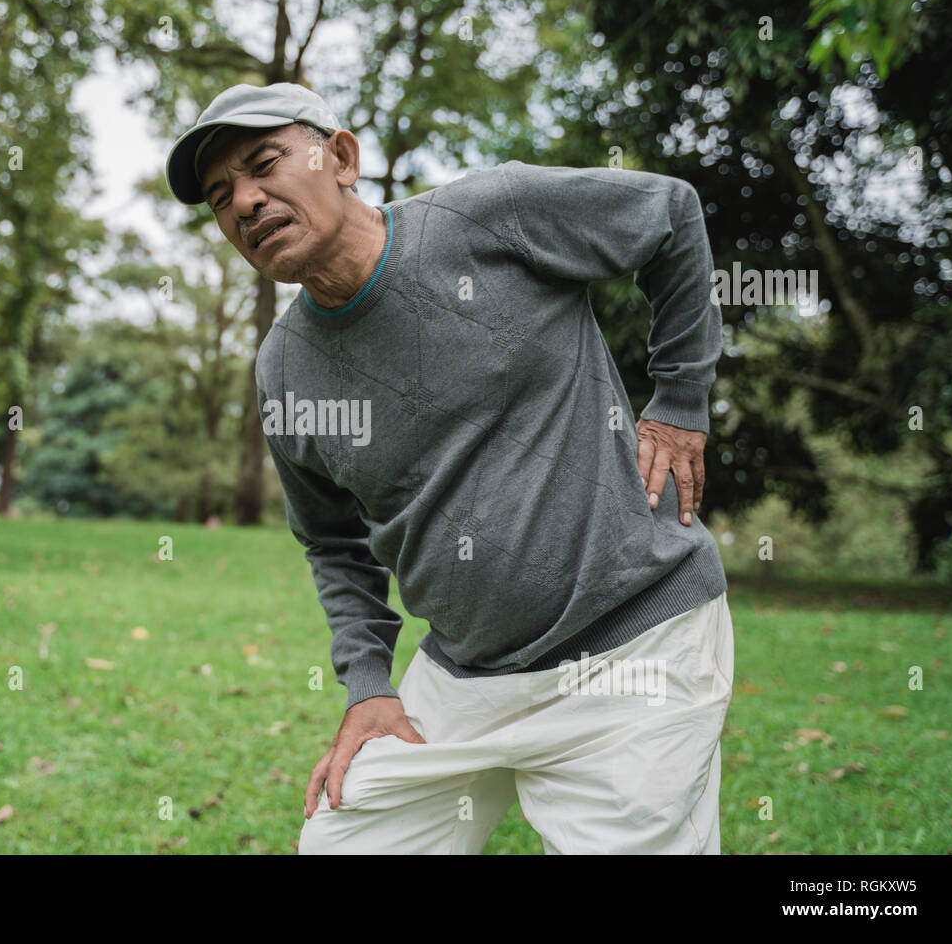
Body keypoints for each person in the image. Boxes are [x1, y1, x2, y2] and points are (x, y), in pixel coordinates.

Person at [165, 81, 735, 854]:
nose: (245, 202)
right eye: (219, 195)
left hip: (636, 650)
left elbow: (669, 214)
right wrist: (368, 684)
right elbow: (333, 544)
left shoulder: (489, 214)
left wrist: (680, 399)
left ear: (339, 157)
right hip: (464, 679)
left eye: (263, 164)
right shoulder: (282, 369)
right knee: (342, 844)